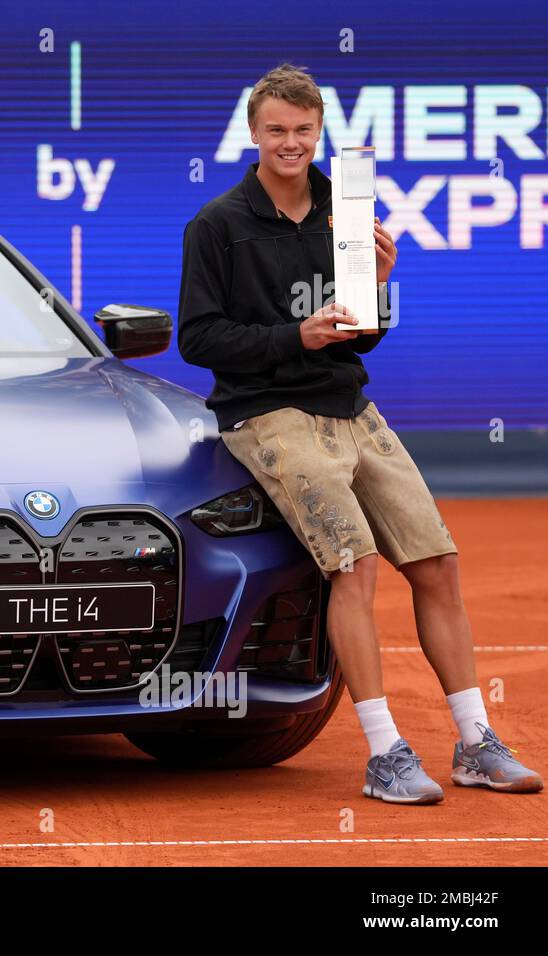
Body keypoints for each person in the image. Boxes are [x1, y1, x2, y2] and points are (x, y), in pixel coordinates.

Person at [177, 62, 542, 804]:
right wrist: (293, 339)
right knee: (355, 566)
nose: (291, 143)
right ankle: (384, 752)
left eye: (303, 131)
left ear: (319, 133)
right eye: (276, 130)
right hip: (266, 414)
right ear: (253, 134)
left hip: (349, 406)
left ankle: (474, 743)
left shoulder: (345, 209)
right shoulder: (215, 225)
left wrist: (376, 286)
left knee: (437, 563)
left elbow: (361, 339)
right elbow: (198, 338)